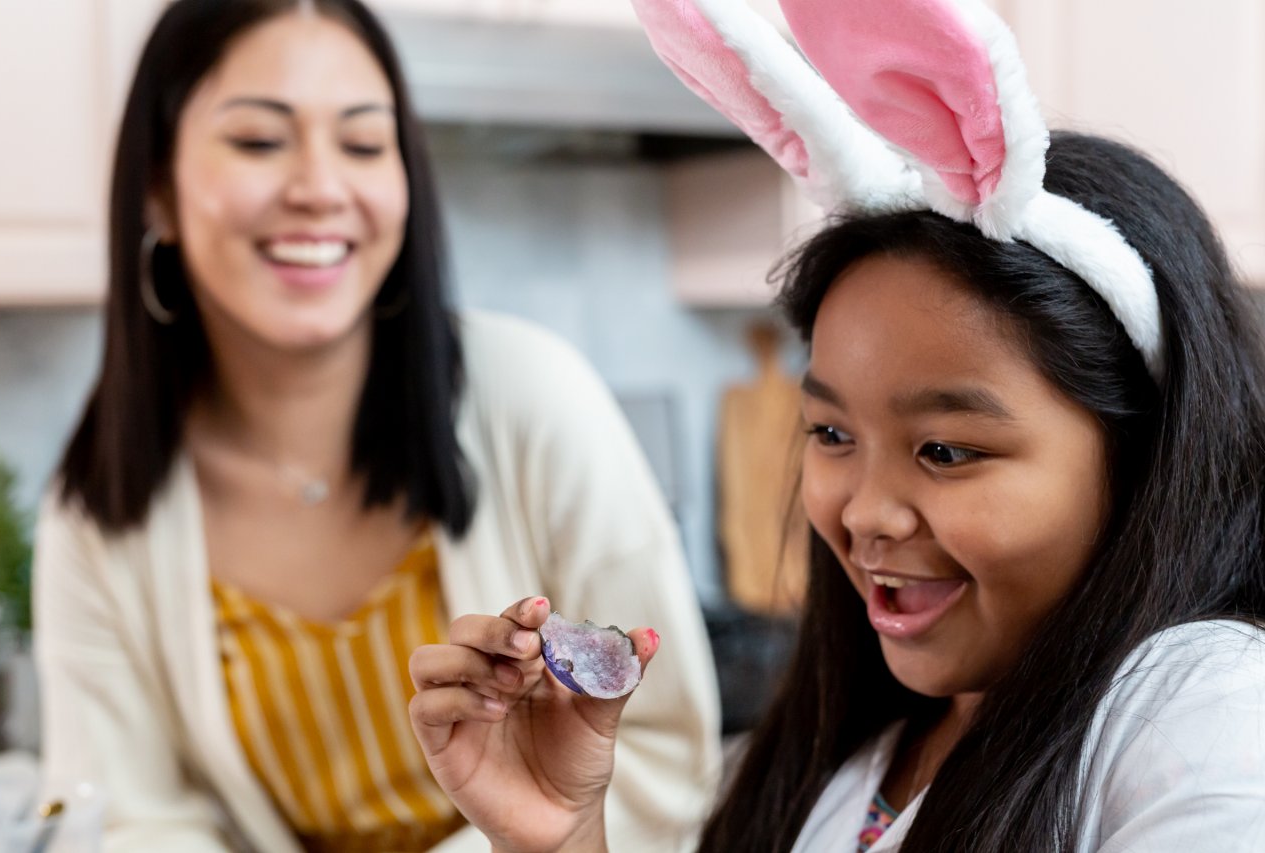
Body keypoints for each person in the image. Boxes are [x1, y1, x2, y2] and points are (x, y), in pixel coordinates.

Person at [406, 1, 1265, 851]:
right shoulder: (864, 755)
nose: (863, 514)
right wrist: (558, 841)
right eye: (831, 434)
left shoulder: (1204, 711)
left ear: (1144, 448)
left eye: (944, 450)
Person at [31, 1, 721, 851]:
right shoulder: (98, 511)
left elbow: (663, 754)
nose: (321, 187)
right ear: (158, 190)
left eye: (362, 144)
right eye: (257, 140)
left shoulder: (534, 397)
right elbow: (128, 817)